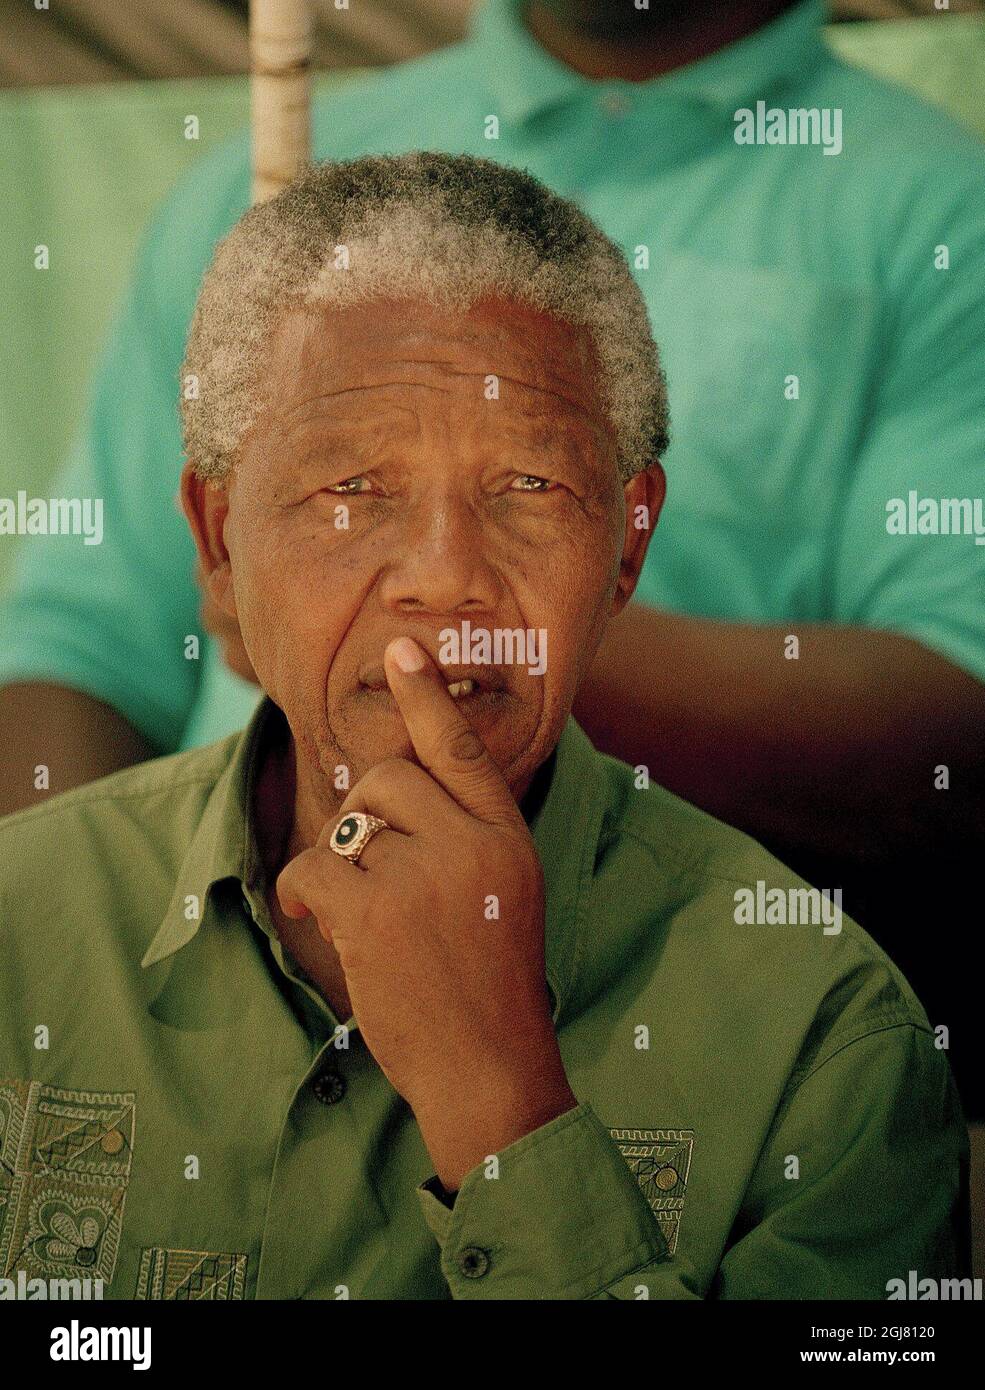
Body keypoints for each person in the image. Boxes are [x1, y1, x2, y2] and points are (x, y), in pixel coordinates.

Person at [0, 155, 967, 1301]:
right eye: (352, 487)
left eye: (530, 487)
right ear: (216, 544)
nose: (448, 580)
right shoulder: (25, 934)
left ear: (627, 545)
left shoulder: (825, 1041)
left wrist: (504, 1108)